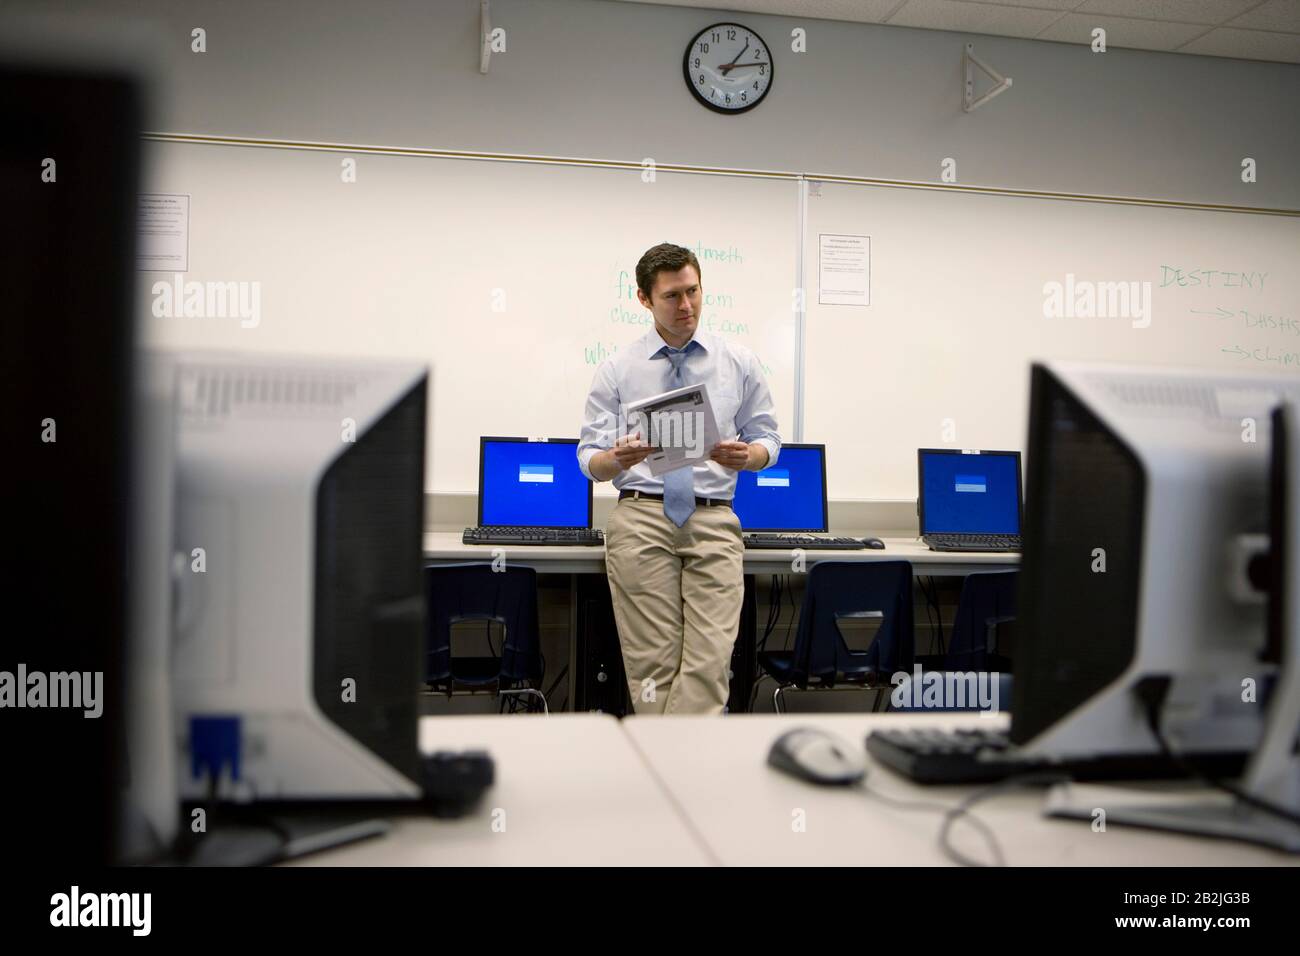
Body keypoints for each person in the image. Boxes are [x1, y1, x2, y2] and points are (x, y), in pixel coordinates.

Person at [577, 242, 781, 714]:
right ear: (644, 300)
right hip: (641, 514)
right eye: (671, 296)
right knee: (653, 665)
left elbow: (769, 439)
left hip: (713, 518)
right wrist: (619, 457)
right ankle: (683, 774)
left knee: (709, 662)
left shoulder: (738, 361)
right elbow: (589, 460)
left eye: (693, 291)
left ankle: (670, 768)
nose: (686, 306)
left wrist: (747, 455)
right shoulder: (618, 369)